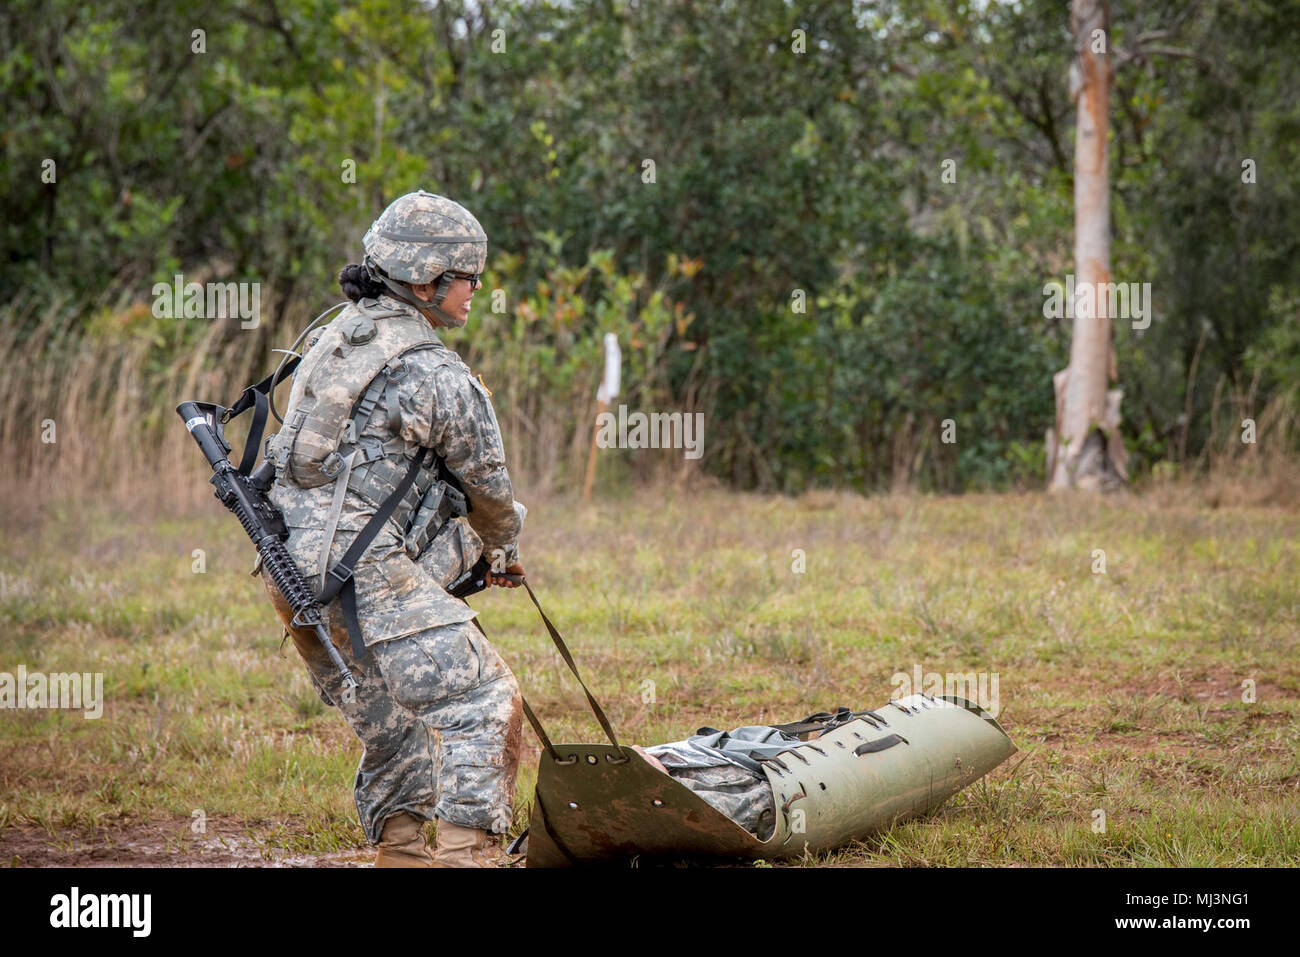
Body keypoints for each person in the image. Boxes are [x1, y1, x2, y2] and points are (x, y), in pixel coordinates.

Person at [258, 190, 526, 868]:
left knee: (395, 727)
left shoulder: (331, 340)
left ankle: (401, 856)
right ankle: (472, 858)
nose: (476, 291)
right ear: (427, 279)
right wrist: (502, 546)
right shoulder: (432, 370)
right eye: (469, 277)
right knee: (487, 701)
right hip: (366, 578)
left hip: (291, 576)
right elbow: (490, 491)